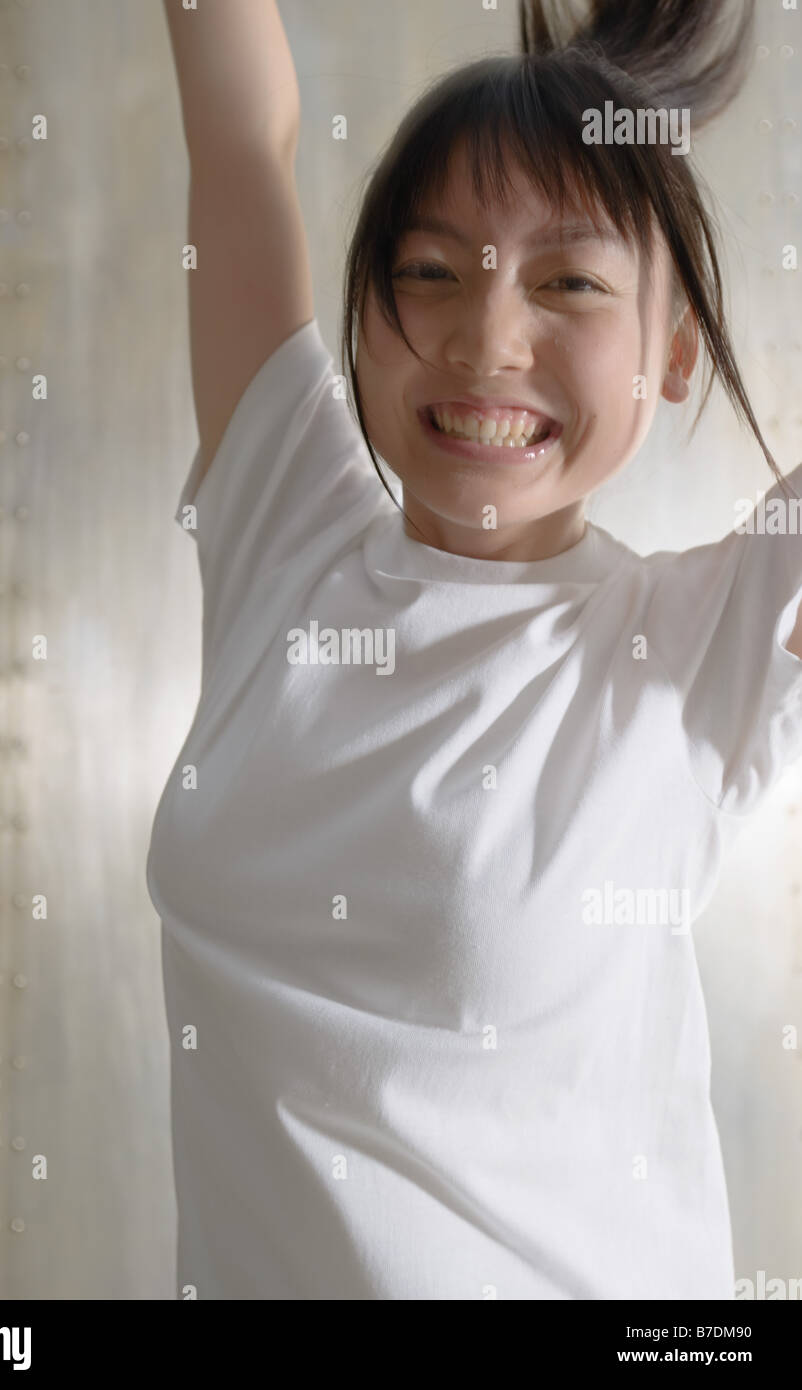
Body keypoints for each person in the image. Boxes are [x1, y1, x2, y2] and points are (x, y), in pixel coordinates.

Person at [146, 0, 802, 1299]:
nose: (484, 339)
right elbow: (235, 138)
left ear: (673, 350)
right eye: (429, 270)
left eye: (567, 282)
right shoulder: (287, 521)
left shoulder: (704, 642)